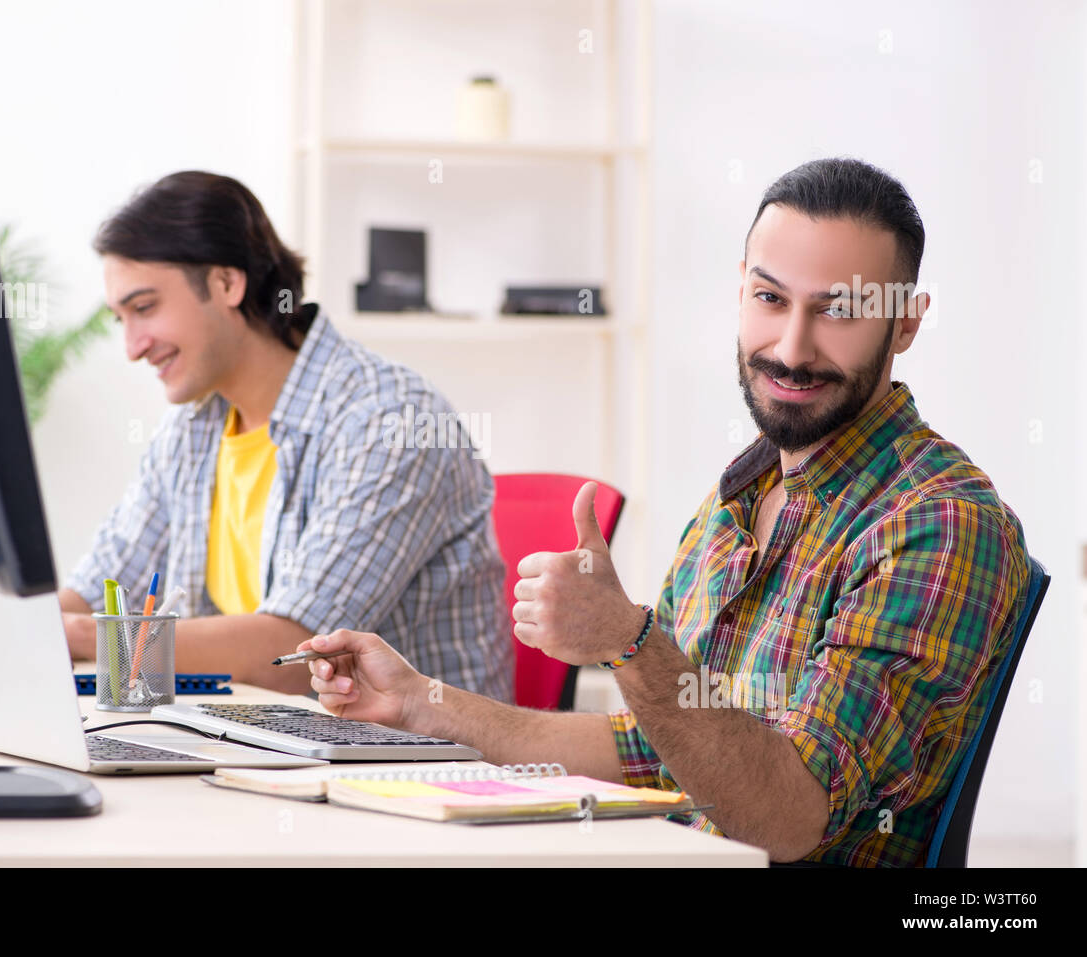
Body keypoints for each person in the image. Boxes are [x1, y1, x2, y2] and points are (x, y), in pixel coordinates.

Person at [295, 158, 1031, 866]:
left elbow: (789, 817)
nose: (792, 347)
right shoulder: (739, 496)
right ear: (741, 291)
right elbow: (658, 750)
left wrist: (629, 639)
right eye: (771, 299)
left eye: (837, 311)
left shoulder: (938, 523)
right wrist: (419, 704)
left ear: (904, 323)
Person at [60, 171, 512, 700]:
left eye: (145, 308)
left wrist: (85, 636)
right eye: (121, 319)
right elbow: (96, 592)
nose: (133, 347)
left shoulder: (390, 420)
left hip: (413, 768)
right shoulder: (192, 428)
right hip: (255, 744)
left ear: (227, 283)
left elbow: (295, 653)